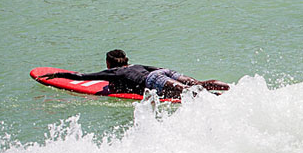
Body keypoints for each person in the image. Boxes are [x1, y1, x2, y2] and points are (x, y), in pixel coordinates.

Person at [40, 49, 230, 98]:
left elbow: (83, 77)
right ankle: (229, 88)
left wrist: (57, 75)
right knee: (198, 84)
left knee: (190, 94)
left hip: (153, 79)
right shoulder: (135, 65)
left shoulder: (113, 73)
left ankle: (217, 100)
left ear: (108, 63)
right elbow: (157, 70)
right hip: (164, 71)